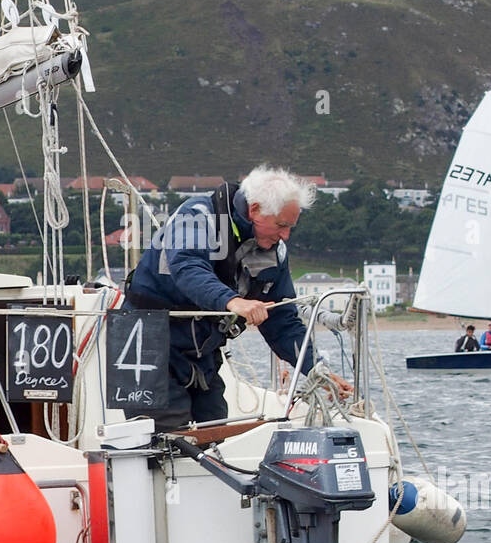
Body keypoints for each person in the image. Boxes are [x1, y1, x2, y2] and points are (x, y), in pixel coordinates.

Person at [125, 165, 351, 430]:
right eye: (281, 225)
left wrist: (317, 369)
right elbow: (187, 267)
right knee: (164, 439)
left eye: (291, 227)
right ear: (254, 210)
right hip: (145, 343)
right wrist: (233, 301)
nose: (286, 235)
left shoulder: (274, 253)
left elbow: (282, 322)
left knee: (215, 428)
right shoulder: (196, 217)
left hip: (200, 355)